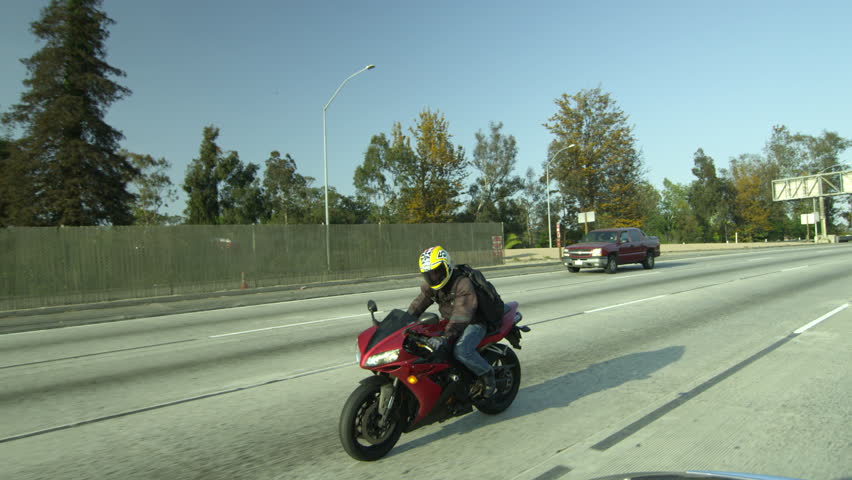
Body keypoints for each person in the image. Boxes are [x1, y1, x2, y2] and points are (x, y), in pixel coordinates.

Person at [407, 246, 496, 398]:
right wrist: (403, 321)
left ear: (447, 266)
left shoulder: (463, 283)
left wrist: (445, 337)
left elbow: (462, 315)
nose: (434, 277)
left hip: (474, 322)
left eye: (437, 271)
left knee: (461, 350)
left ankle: (488, 375)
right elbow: (418, 304)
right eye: (429, 274)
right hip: (451, 320)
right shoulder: (431, 286)